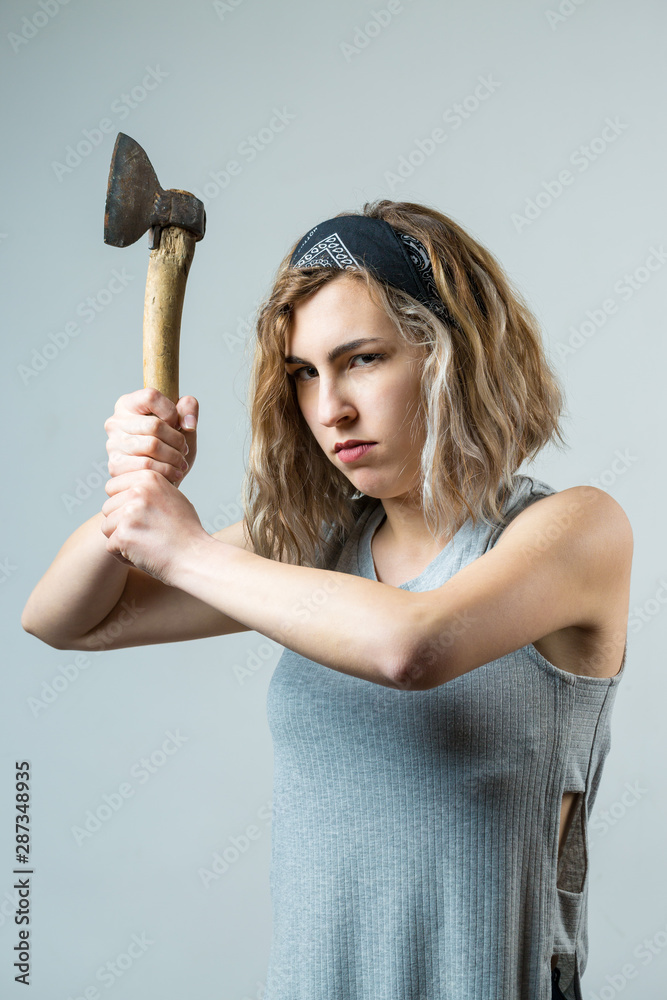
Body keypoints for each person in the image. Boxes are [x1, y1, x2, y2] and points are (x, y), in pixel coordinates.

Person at [22, 199, 633, 1000]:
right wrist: (132, 495)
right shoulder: (317, 543)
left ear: (453, 351)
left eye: (363, 359)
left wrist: (181, 546)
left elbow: (415, 647)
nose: (328, 408)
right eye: (303, 373)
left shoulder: (574, 530)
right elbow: (64, 620)